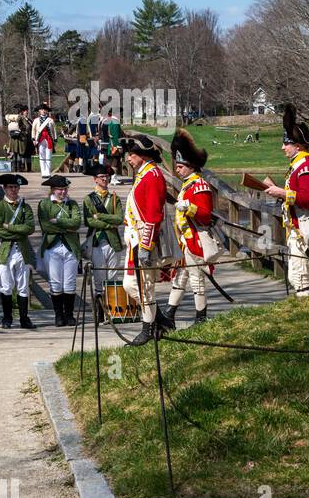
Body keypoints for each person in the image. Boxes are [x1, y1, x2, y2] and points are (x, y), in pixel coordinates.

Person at [264, 106, 309, 297]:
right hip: (299, 229)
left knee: (302, 278)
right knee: (300, 277)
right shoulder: (299, 165)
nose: (282, 147)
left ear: (298, 145)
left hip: (307, 231)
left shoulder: (307, 165)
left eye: (286, 143)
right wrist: (281, 193)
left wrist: (282, 193)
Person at [122, 133, 171, 346]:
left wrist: (145, 246)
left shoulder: (152, 176)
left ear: (142, 155)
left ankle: (148, 328)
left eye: (131, 155)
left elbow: (153, 215)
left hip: (143, 239)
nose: (128, 159)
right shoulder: (145, 174)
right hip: (136, 238)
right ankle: (159, 320)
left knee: (141, 285)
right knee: (134, 285)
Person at [167, 129, 220, 326]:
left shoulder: (199, 185)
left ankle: (200, 318)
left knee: (196, 280)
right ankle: (169, 314)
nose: (178, 170)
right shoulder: (187, 185)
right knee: (180, 277)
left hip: (196, 238)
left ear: (190, 166)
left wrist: (189, 208)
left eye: (181, 166)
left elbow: (205, 215)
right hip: (185, 240)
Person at [0, 174, 37, 330]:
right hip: (6, 250)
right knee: (6, 286)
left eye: (16, 187)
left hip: (22, 250)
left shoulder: (25, 207)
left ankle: (24, 319)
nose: (14, 190)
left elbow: (30, 228)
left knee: (23, 285)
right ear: (4, 188)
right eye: (10, 187)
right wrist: (19, 231)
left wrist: (9, 227)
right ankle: (7, 318)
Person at [37, 175, 82, 327]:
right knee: (55, 283)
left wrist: (58, 221)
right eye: (59, 189)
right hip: (52, 247)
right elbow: (46, 226)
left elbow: (76, 223)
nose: (62, 192)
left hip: (70, 247)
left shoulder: (72, 204)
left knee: (69, 283)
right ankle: (58, 315)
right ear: (53, 189)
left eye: (64, 189)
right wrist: (66, 227)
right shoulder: (44, 204)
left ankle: (69, 315)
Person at [83, 164, 124, 323]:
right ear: (95, 180)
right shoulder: (89, 199)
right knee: (98, 279)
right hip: (97, 242)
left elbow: (119, 219)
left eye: (106, 177)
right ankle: (99, 314)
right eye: (101, 177)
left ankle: (112, 312)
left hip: (113, 242)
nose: (105, 179)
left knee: (112, 278)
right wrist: (108, 224)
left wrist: (99, 216)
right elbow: (89, 222)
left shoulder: (115, 198)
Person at [32, 104, 56, 178]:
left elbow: (54, 130)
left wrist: (55, 139)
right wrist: (33, 139)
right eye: (42, 110)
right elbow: (33, 130)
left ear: (47, 111)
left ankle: (48, 172)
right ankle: (43, 172)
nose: (43, 111)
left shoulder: (50, 120)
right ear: (39, 111)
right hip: (40, 140)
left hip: (49, 139)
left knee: (48, 156)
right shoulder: (36, 120)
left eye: (45, 110)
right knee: (42, 157)